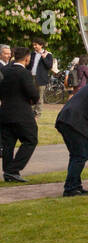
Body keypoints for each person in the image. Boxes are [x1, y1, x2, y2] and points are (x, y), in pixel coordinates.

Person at [0, 47, 41, 183]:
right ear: (27, 58)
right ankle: (13, 169)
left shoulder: (4, 71)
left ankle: (8, 172)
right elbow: (33, 94)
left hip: (5, 111)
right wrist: (33, 100)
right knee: (31, 139)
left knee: (8, 143)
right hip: (21, 113)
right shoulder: (24, 73)